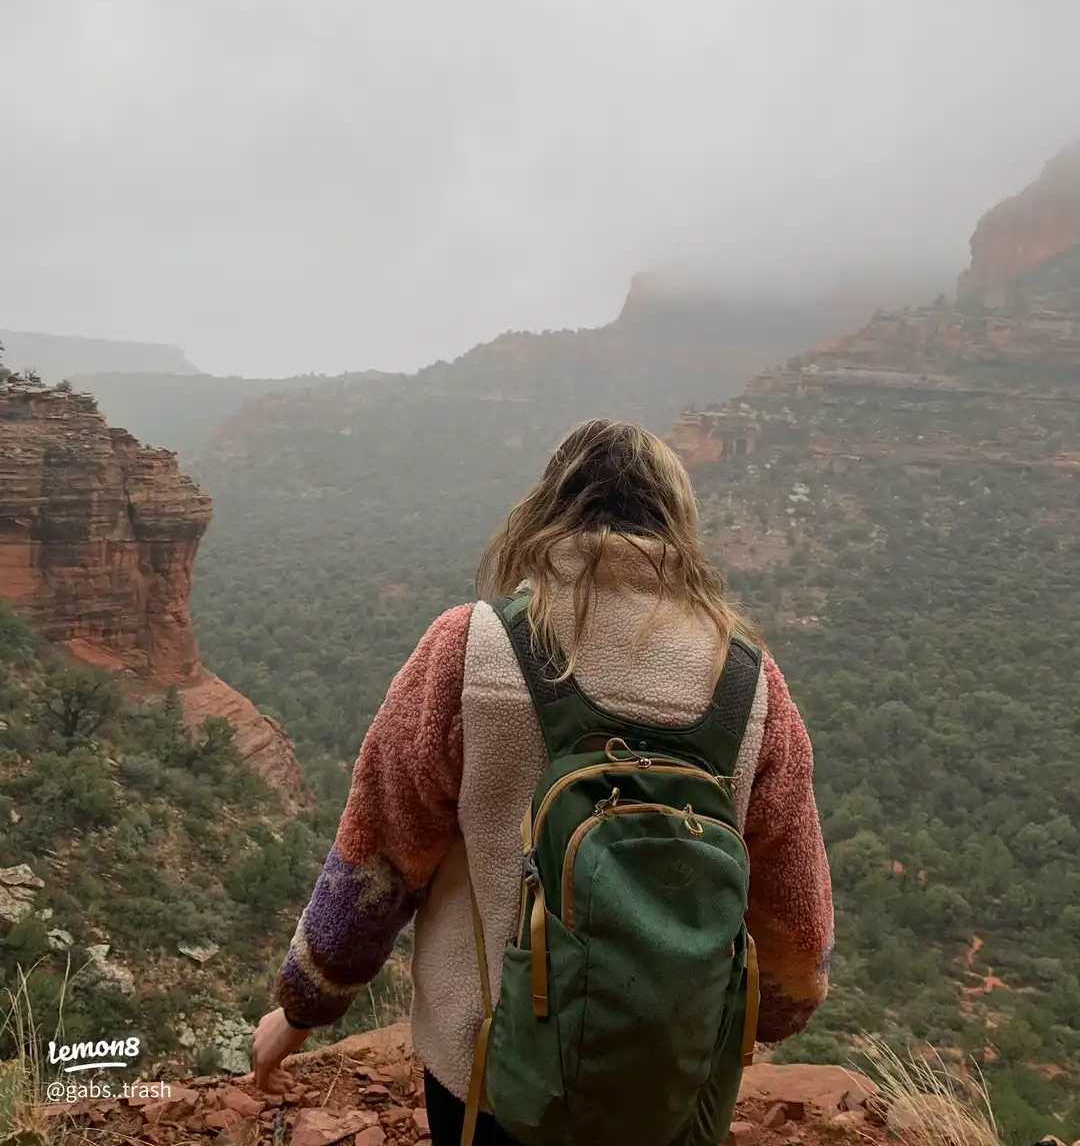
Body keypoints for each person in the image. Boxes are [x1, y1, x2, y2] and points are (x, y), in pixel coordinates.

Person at [253, 419, 833, 1144]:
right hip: (671, 1086)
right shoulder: (753, 685)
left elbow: (378, 862)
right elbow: (797, 928)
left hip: (487, 1080)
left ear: (547, 508)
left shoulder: (467, 649)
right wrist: (732, 1021)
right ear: (678, 521)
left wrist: (304, 1007)